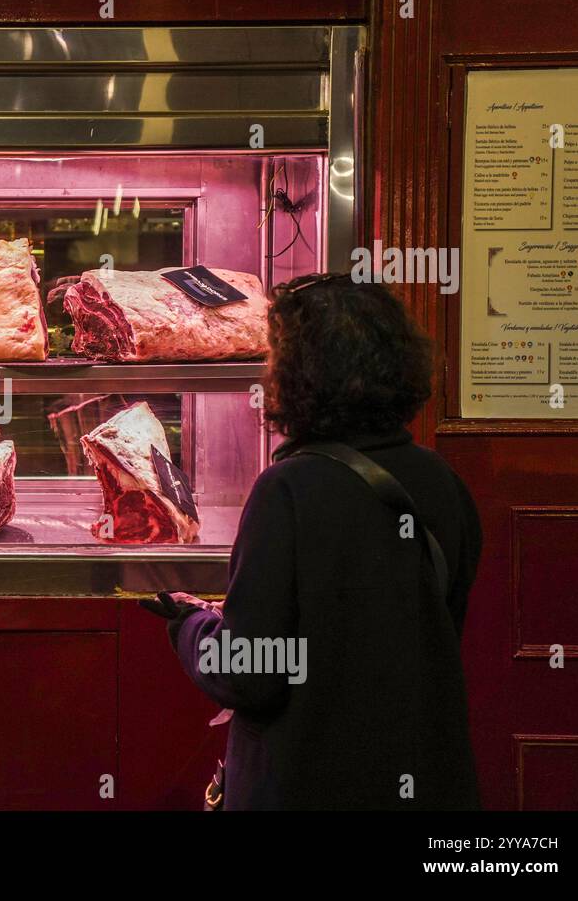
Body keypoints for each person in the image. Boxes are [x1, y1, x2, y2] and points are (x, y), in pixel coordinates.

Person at [143, 272, 482, 810]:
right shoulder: (441, 481)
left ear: (302, 374)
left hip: (307, 779)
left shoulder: (289, 489)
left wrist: (190, 626)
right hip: (420, 775)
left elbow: (250, 672)